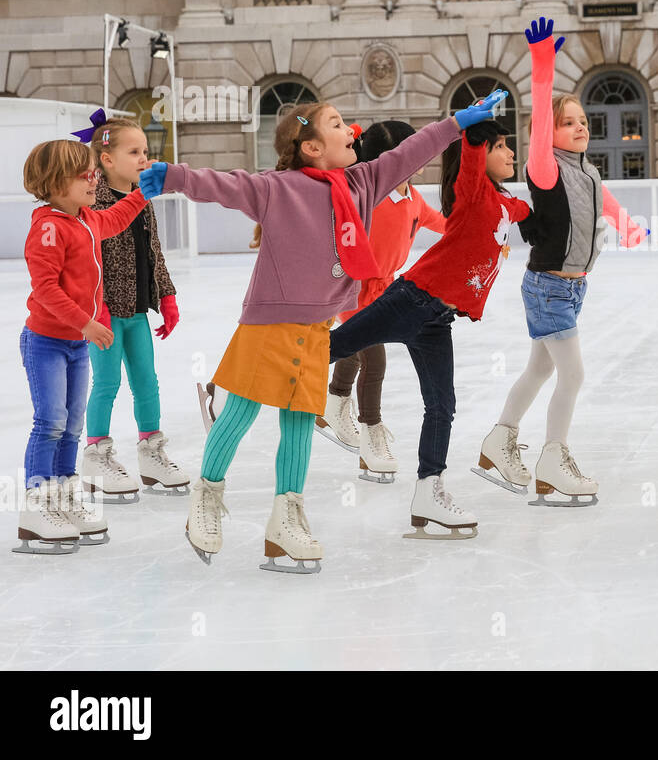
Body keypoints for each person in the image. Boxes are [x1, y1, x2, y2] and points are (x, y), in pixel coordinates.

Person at [138, 94, 503, 572]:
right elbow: (225, 184)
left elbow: (410, 152)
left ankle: (285, 518)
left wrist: (457, 123)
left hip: (317, 327)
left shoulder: (363, 182)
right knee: (240, 414)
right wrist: (175, 176)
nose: (352, 130)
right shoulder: (276, 188)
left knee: (298, 425)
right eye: (336, 125)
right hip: (268, 322)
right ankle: (206, 498)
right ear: (310, 147)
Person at [327, 112, 529, 539]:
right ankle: (234, 388)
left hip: (437, 318)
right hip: (410, 299)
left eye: (508, 145)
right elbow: (470, 164)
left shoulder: (504, 203)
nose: (510, 152)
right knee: (332, 349)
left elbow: (530, 204)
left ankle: (428, 493)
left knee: (442, 406)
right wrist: (473, 135)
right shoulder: (471, 190)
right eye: (500, 146)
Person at [476, 18, 647, 507]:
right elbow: (541, 107)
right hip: (548, 286)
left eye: (583, 121)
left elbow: (605, 200)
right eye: (568, 122)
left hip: (571, 287)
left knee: (541, 372)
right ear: (548, 133)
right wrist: (542, 62)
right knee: (572, 375)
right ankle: (552, 461)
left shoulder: (587, 170)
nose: (580, 127)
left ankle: (499, 439)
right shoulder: (545, 167)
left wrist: (630, 226)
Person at [16, 137, 148, 554]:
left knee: (73, 424)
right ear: (55, 182)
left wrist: (146, 190)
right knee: (50, 421)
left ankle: (63, 496)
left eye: (94, 171)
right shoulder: (49, 228)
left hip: (75, 343)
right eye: (83, 174)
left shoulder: (87, 219)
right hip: (46, 343)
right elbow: (46, 291)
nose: (94, 179)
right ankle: (37, 505)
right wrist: (87, 323)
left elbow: (118, 217)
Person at [320, 120, 448, 482]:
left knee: (352, 347)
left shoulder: (412, 197)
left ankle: (335, 399)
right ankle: (370, 433)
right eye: (413, 148)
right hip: (352, 284)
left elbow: (442, 224)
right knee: (374, 358)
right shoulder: (367, 198)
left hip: (386, 289)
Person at [83, 112, 188, 499]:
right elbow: (87, 260)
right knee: (107, 384)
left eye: (146, 151)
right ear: (107, 159)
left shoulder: (143, 199)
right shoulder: (92, 202)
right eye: (134, 152)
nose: (144, 158)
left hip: (137, 311)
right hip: (105, 314)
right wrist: (96, 306)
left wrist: (167, 294)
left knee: (147, 381)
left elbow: (154, 252)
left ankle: (150, 453)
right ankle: (96, 453)